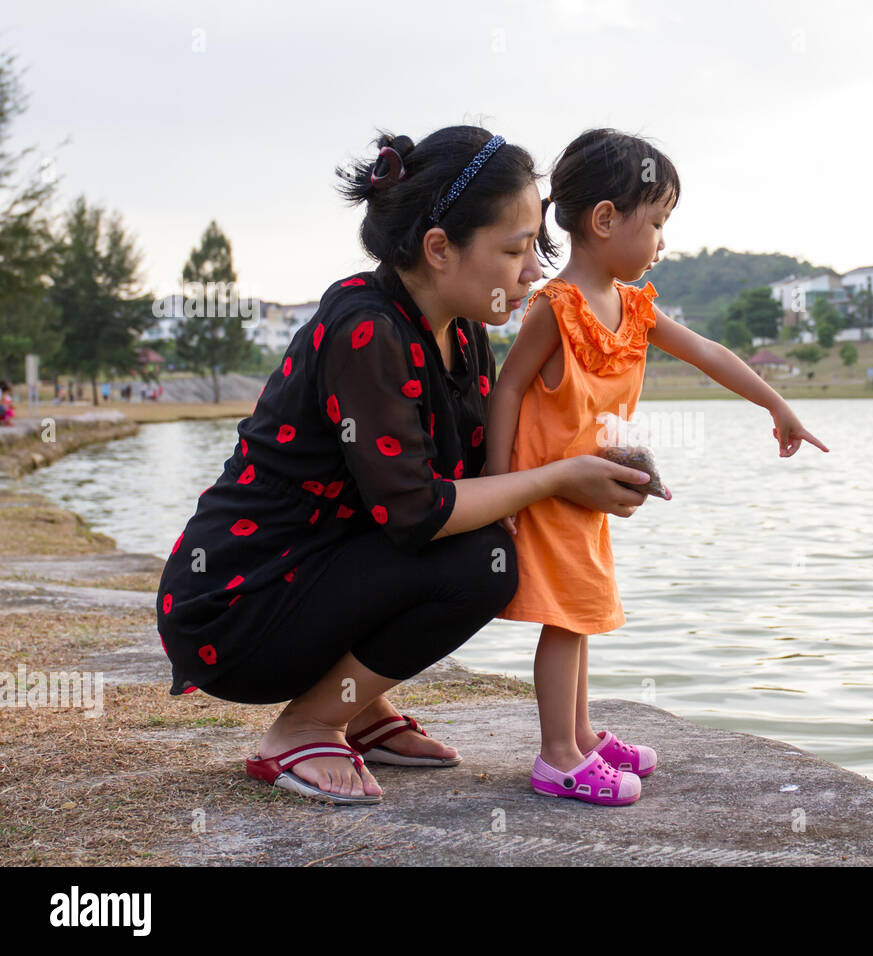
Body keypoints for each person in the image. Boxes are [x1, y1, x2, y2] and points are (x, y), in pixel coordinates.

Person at [155, 125, 652, 805]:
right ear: (439, 248)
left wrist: (590, 463)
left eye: (537, 247)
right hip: (238, 606)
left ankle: (359, 710)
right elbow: (417, 511)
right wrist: (562, 478)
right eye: (514, 250)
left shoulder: (463, 330)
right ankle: (306, 724)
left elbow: (479, 474)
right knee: (485, 565)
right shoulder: (367, 329)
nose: (534, 271)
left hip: (315, 576)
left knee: (491, 545)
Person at [485, 129, 829, 806]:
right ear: (606, 219)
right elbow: (507, 389)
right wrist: (503, 495)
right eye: (659, 223)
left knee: (580, 611)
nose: (664, 242)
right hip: (549, 488)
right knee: (568, 618)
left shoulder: (632, 307)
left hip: (589, 491)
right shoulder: (557, 309)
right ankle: (557, 757)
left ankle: (578, 735)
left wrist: (776, 404)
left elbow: (708, 351)